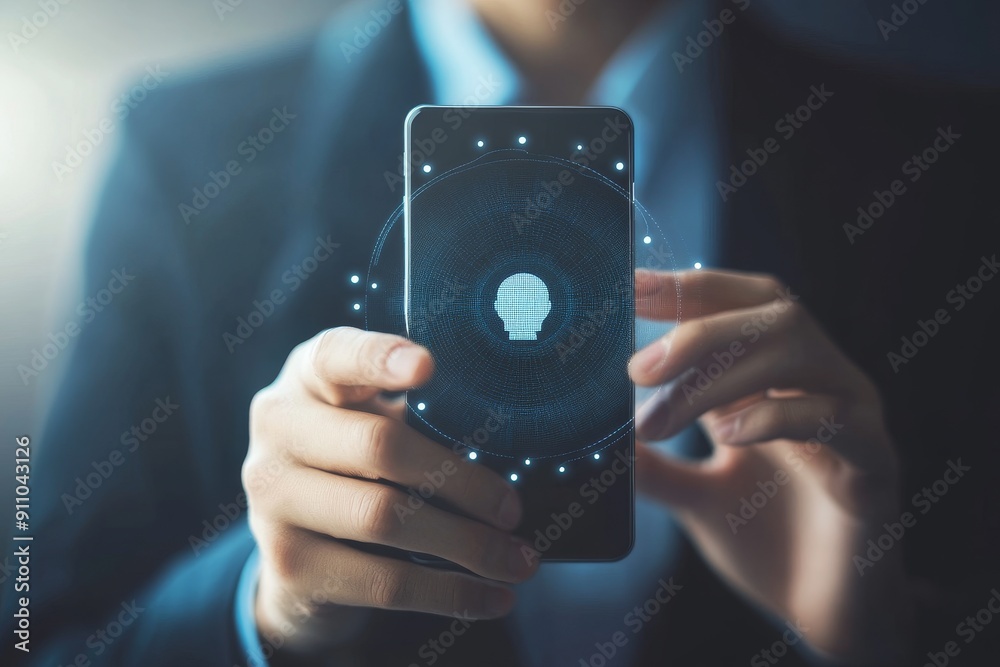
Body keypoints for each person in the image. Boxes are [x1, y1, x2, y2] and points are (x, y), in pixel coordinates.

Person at [6, 0, 998, 665]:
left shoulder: (948, 162)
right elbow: (44, 635)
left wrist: (882, 638)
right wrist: (265, 606)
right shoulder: (184, 155)